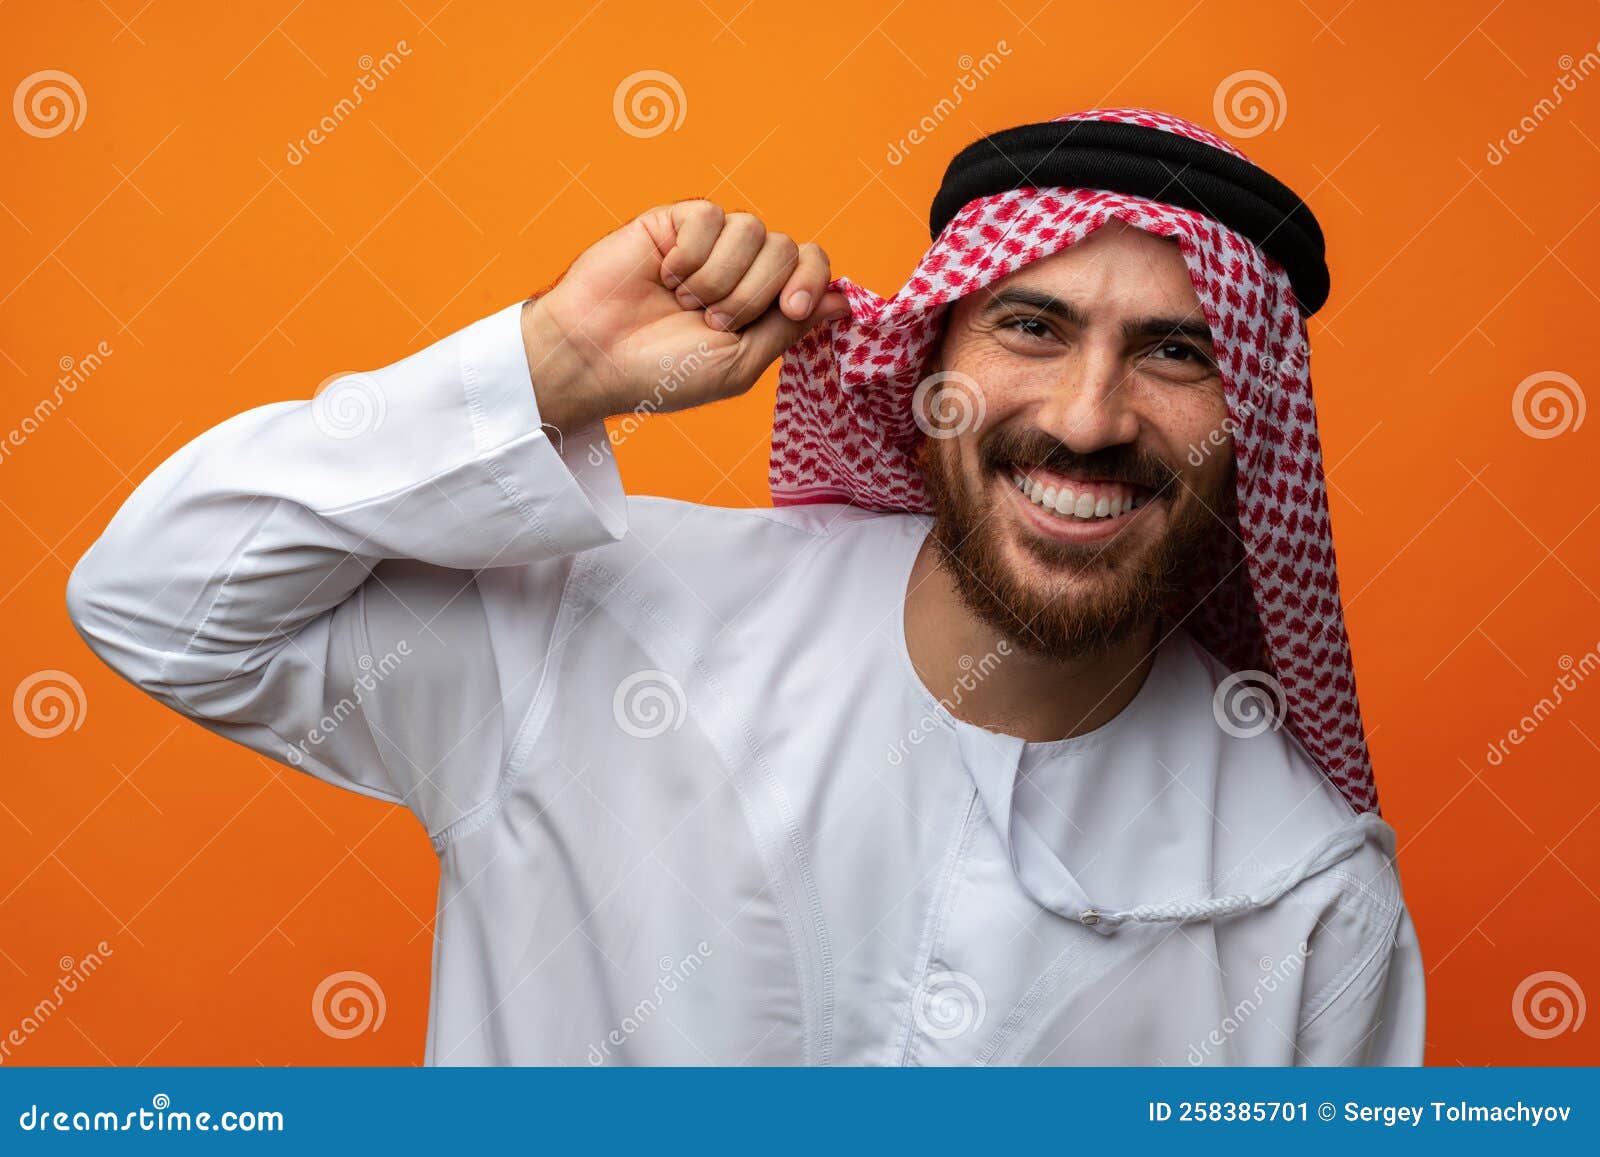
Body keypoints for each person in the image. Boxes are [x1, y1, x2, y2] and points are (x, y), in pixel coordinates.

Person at [66, 107, 1425, 1065]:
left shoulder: (1308, 898)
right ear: (921, 371)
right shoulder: (601, 620)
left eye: (1176, 353)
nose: (1085, 415)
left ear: (1250, 425)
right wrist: (546, 365)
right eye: (1031, 324)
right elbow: (155, 596)